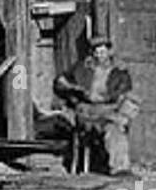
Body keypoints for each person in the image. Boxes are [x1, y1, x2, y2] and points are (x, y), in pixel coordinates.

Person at [53, 31, 138, 176]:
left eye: (103, 51)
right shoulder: (82, 68)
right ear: (92, 53)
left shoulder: (119, 72)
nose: (100, 55)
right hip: (86, 111)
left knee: (115, 128)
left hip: (108, 111)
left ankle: (121, 169)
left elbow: (125, 95)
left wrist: (123, 113)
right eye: (97, 52)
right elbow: (60, 83)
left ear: (109, 52)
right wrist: (74, 91)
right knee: (106, 121)